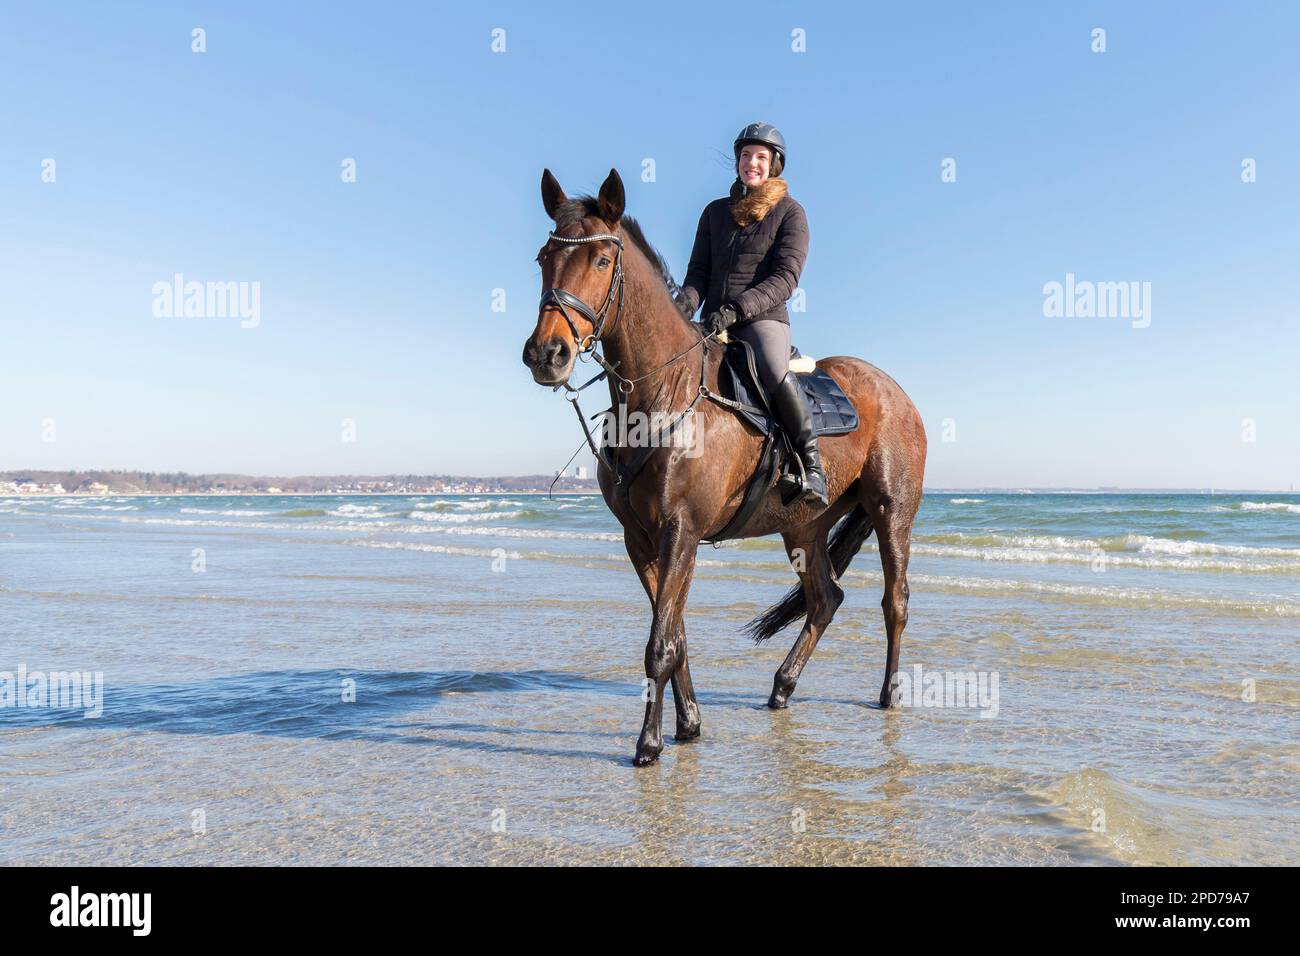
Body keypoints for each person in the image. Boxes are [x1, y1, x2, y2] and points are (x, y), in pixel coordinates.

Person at [676, 122, 828, 507]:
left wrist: (737, 309)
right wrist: (682, 308)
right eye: (745, 155)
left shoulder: (790, 213)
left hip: (763, 319)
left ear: (774, 164)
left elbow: (785, 278)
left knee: (773, 370)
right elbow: (698, 274)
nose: (751, 163)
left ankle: (812, 467)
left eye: (761, 157)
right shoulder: (714, 212)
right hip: (713, 318)